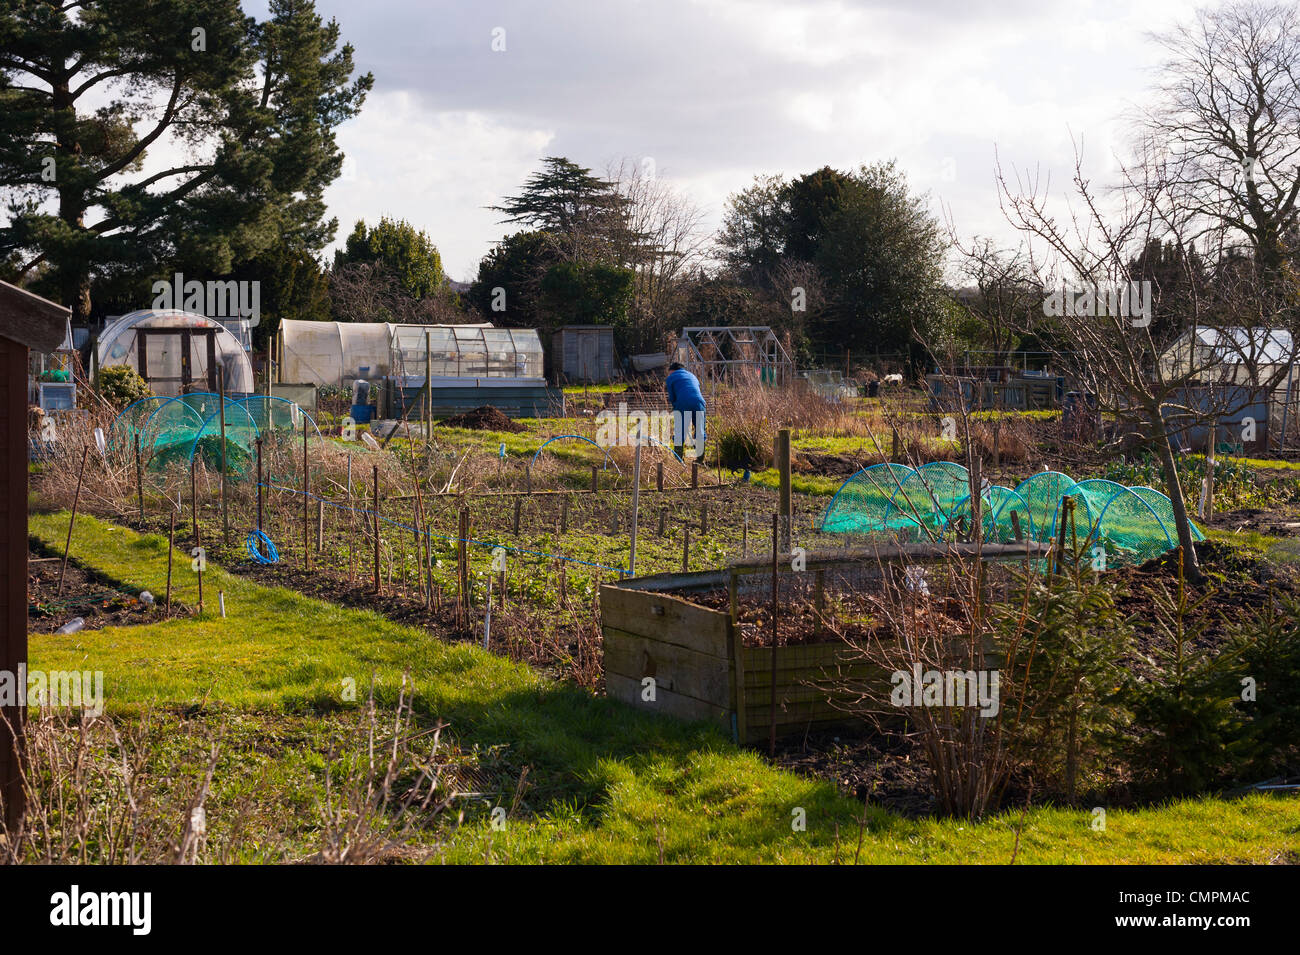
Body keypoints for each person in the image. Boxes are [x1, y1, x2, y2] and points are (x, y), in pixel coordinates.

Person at [665, 361, 706, 459]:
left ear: (672, 370)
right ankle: (700, 459)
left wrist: (675, 407)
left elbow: (672, 396)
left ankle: (679, 458)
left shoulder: (671, 377)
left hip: (683, 402)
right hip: (699, 403)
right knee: (700, 430)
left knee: (680, 431)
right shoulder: (692, 376)